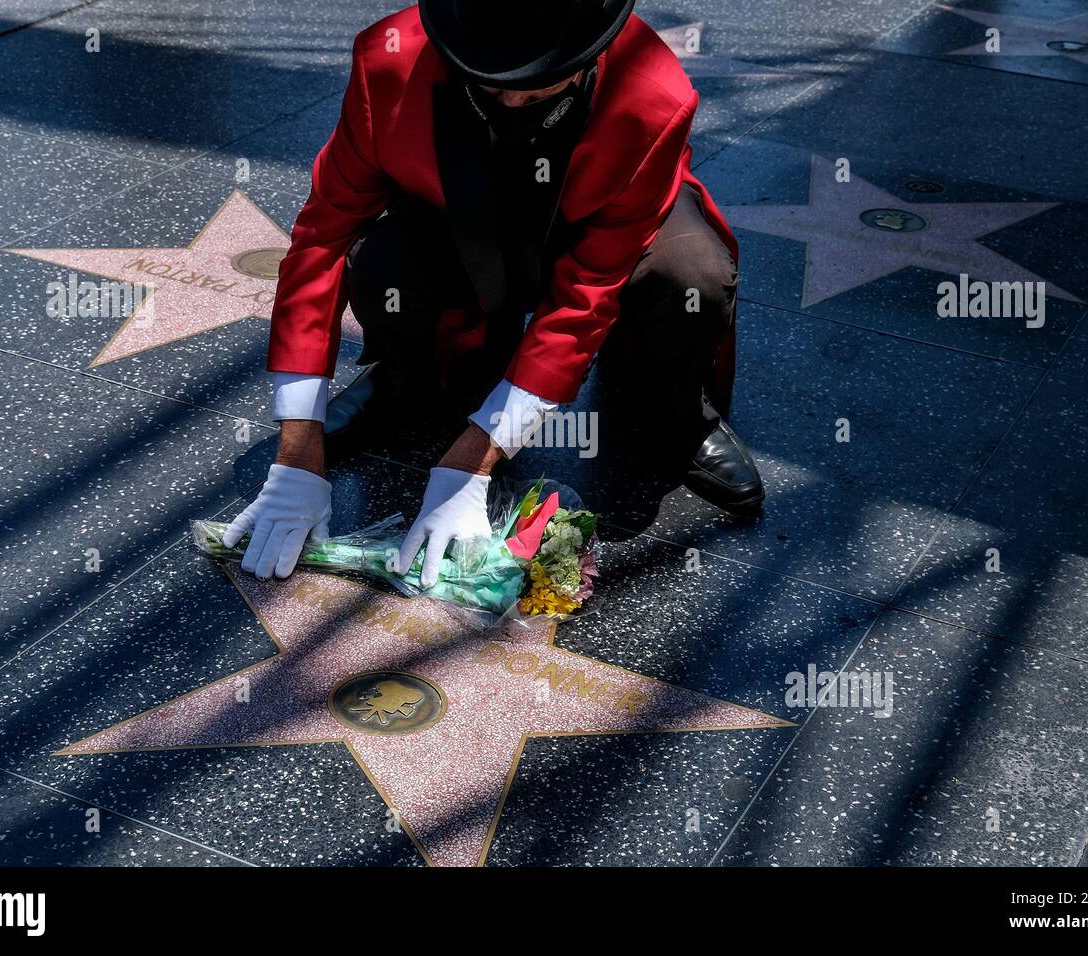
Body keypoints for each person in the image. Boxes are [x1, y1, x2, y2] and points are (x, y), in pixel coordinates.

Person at [224, 0, 765, 583]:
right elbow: (320, 239)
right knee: (384, 262)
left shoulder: (653, 95)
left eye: (533, 88)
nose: (509, 102)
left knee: (692, 275)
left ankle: (669, 414)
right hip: (459, 216)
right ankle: (414, 376)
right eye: (489, 81)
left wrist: (471, 464)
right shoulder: (389, 59)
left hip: (598, 218)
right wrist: (297, 451)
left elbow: (586, 290)